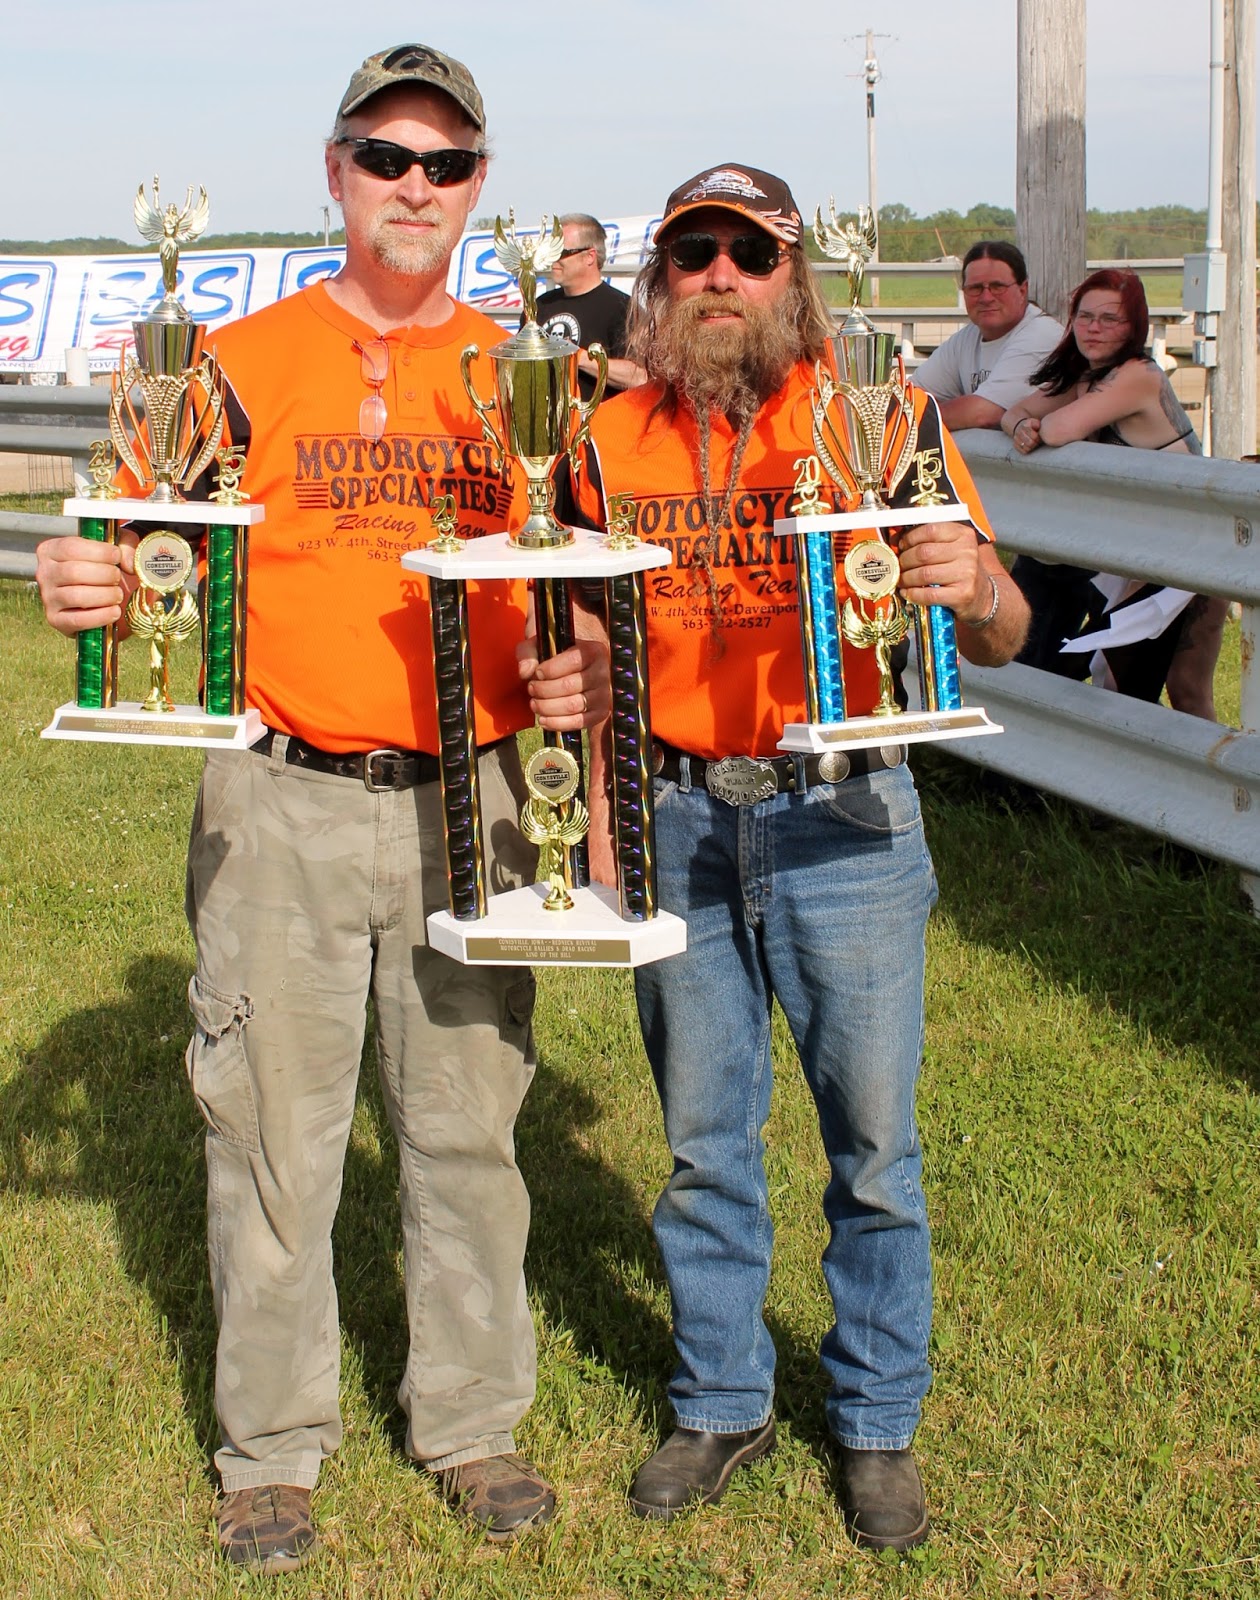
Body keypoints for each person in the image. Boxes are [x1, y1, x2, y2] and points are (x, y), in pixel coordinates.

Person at [35, 42, 604, 1574]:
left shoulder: (523, 373)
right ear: (337, 172)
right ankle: (271, 1448)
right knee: (275, 1135)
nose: (413, 187)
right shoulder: (240, 357)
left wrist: (581, 678)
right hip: (282, 793)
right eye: (384, 156)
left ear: (479, 184)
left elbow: (591, 596)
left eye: (445, 162)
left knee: (468, 1128)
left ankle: (473, 1423)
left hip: (474, 797)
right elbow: (127, 544)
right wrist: (69, 576)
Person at [548, 163, 1029, 1552]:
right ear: (655, 280)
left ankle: (876, 1425)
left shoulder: (882, 415)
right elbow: (571, 635)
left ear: (792, 277)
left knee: (873, 1151)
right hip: (677, 816)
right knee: (704, 1146)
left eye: (745, 256)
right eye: (691, 252)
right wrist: (584, 784)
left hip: (848, 821)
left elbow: (995, 632)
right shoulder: (600, 437)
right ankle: (721, 1399)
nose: (717, 277)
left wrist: (974, 583)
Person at [1001, 267, 1226, 717]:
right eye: (1085, 317)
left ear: (1134, 327)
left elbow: (1061, 427)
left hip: (1193, 554)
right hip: (1145, 557)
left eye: (1110, 319)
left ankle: (1213, 785)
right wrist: (1022, 425)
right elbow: (1017, 412)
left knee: (1180, 688)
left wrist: (1037, 425)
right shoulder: (1088, 376)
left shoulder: (1138, 375)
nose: (1094, 329)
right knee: (1131, 681)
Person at [913, 240, 1063, 431]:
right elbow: (912, 394)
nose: (986, 298)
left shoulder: (1042, 334)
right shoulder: (968, 337)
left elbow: (983, 413)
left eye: (997, 286)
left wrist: (913, 420)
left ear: (1022, 290)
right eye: (975, 288)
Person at [530, 213, 645, 396]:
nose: (553, 260)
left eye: (561, 252)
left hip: (599, 421)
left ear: (590, 256)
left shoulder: (623, 309)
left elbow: (641, 376)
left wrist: (580, 358)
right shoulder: (540, 305)